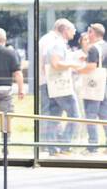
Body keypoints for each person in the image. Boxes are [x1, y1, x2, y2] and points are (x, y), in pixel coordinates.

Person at [38, 18, 81, 156]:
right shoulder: (56, 42)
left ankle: (52, 147)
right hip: (58, 84)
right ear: (65, 29)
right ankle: (64, 144)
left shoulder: (46, 40)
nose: (74, 32)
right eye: (72, 29)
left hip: (48, 83)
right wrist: (73, 65)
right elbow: (54, 63)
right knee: (74, 115)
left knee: (52, 115)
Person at [83, 23, 107, 154]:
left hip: (93, 86)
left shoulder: (93, 49)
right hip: (104, 85)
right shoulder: (105, 46)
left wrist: (78, 68)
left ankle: (93, 146)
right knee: (105, 116)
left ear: (93, 33)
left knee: (90, 116)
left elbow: (91, 67)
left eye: (89, 32)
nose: (87, 35)